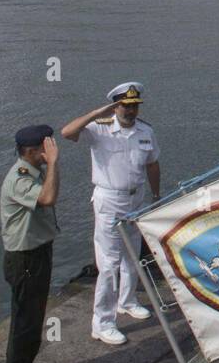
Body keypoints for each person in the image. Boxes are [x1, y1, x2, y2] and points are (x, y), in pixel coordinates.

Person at [61, 82, 160, 345]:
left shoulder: (145, 131)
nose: (131, 110)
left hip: (136, 199)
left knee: (133, 255)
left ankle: (127, 301)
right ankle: (102, 322)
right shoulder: (99, 129)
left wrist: (156, 195)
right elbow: (67, 132)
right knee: (108, 263)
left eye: (134, 105)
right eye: (125, 106)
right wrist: (96, 113)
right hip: (110, 200)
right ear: (115, 106)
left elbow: (152, 163)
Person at [0, 124, 61, 363]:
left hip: (37, 252)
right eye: (46, 148)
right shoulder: (20, 178)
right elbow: (48, 198)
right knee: (26, 318)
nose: (51, 151)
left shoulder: (35, 172)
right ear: (32, 151)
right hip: (25, 257)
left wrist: (51, 165)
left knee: (35, 315)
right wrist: (54, 164)